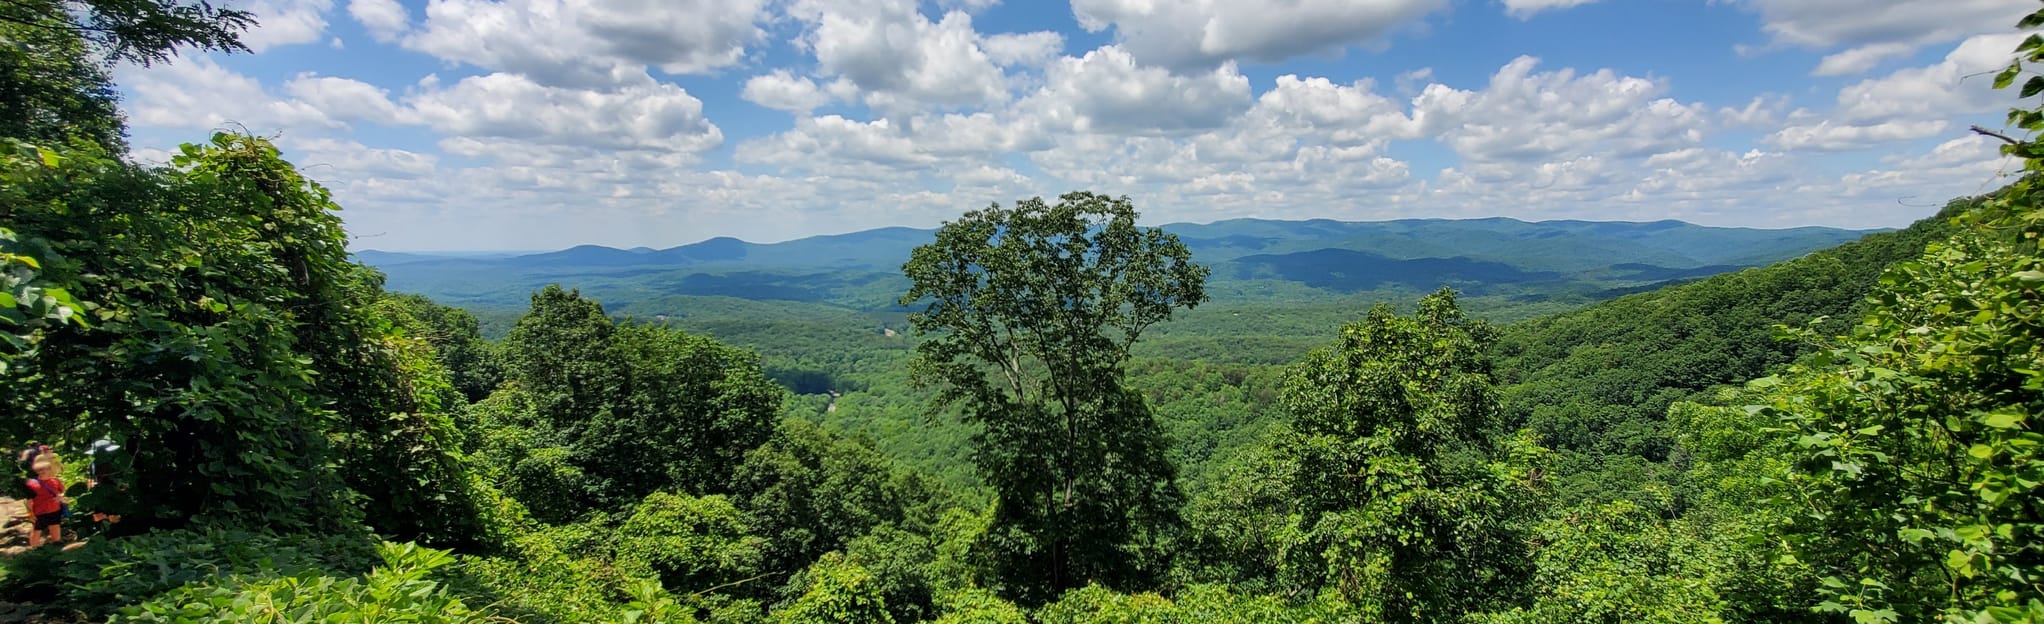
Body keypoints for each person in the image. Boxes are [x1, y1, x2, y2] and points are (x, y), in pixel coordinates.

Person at [24, 456, 63, 548]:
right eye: (39, 470)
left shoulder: (56, 481)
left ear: (49, 469)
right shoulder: (31, 484)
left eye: (44, 469)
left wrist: (61, 497)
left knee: (55, 525)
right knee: (37, 529)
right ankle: (34, 547)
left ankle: (57, 544)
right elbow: (28, 500)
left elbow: (62, 492)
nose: (42, 472)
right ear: (36, 471)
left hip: (55, 509)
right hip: (39, 511)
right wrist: (30, 512)